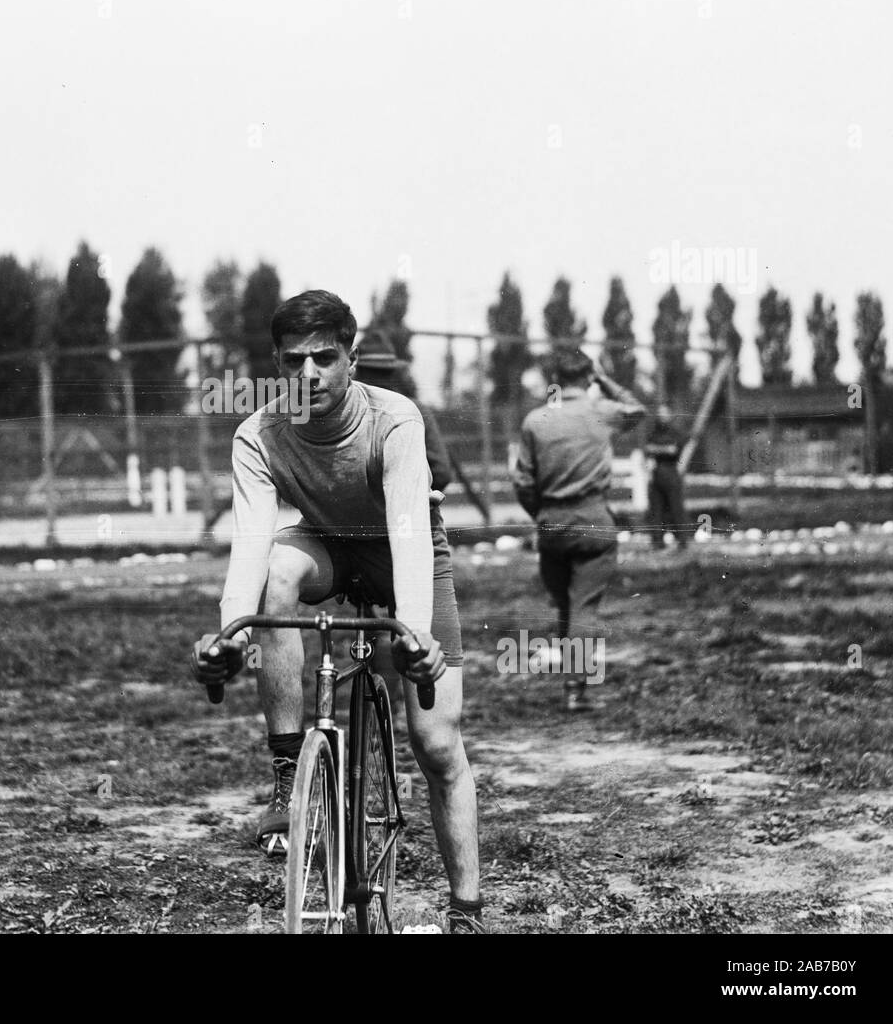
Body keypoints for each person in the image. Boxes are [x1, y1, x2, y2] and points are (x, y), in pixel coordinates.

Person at [191, 291, 485, 933]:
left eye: (325, 358)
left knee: (436, 744)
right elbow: (249, 544)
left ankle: (466, 911)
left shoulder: (395, 420)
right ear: (276, 364)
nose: (310, 375)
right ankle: (287, 768)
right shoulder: (258, 435)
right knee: (274, 577)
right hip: (326, 545)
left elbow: (409, 532)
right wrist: (229, 634)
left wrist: (413, 632)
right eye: (294, 361)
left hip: (400, 552)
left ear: (351, 359)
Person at [512, 349, 646, 712]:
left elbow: (523, 481)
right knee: (584, 608)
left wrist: (541, 513)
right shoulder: (601, 412)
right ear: (589, 377)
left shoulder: (535, 420)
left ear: (555, 380)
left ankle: (572, 672)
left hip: (551, 524)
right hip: (593, 519)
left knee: (566, 605)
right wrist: (604, 380)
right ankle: (575, 687)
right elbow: (637, 409)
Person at [353, 328, 493, 524]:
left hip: (358, 524)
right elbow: (441, 472)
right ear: (393, 372)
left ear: (357, 371)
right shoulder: (414, 409)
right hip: (409, 519)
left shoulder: (347, 412)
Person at [645, 404, 689, 551]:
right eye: (659, 413)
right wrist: (663, 450)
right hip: (656, 473)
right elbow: (648, 450)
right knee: (656, 510)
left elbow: (674, 450)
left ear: (669, 415)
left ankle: (681, 541)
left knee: (675, 509)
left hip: (671, 473)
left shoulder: (675, 433)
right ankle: (657, 542)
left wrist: (657, 450)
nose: (661, 416)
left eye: (664, 413)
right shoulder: (653, 433)